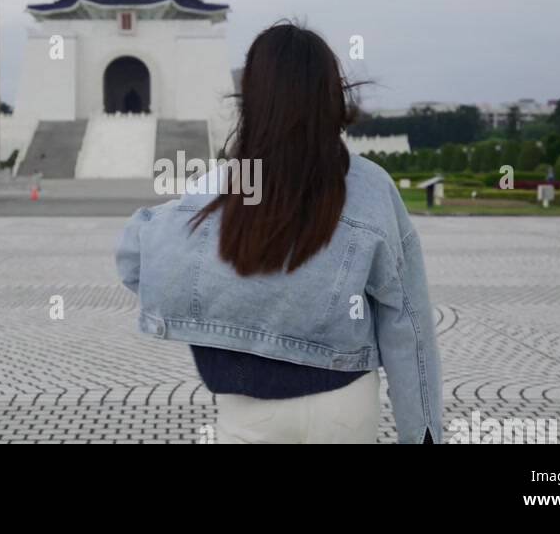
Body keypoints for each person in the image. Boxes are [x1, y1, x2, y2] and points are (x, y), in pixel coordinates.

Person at [115, 23, 442, 444]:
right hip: (345, 405)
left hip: (250, 406)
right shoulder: (372, 187)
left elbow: (133, 258)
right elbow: (406, 319)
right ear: (330, 93)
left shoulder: (222, 185)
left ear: (252, 96)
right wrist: (422, 433)